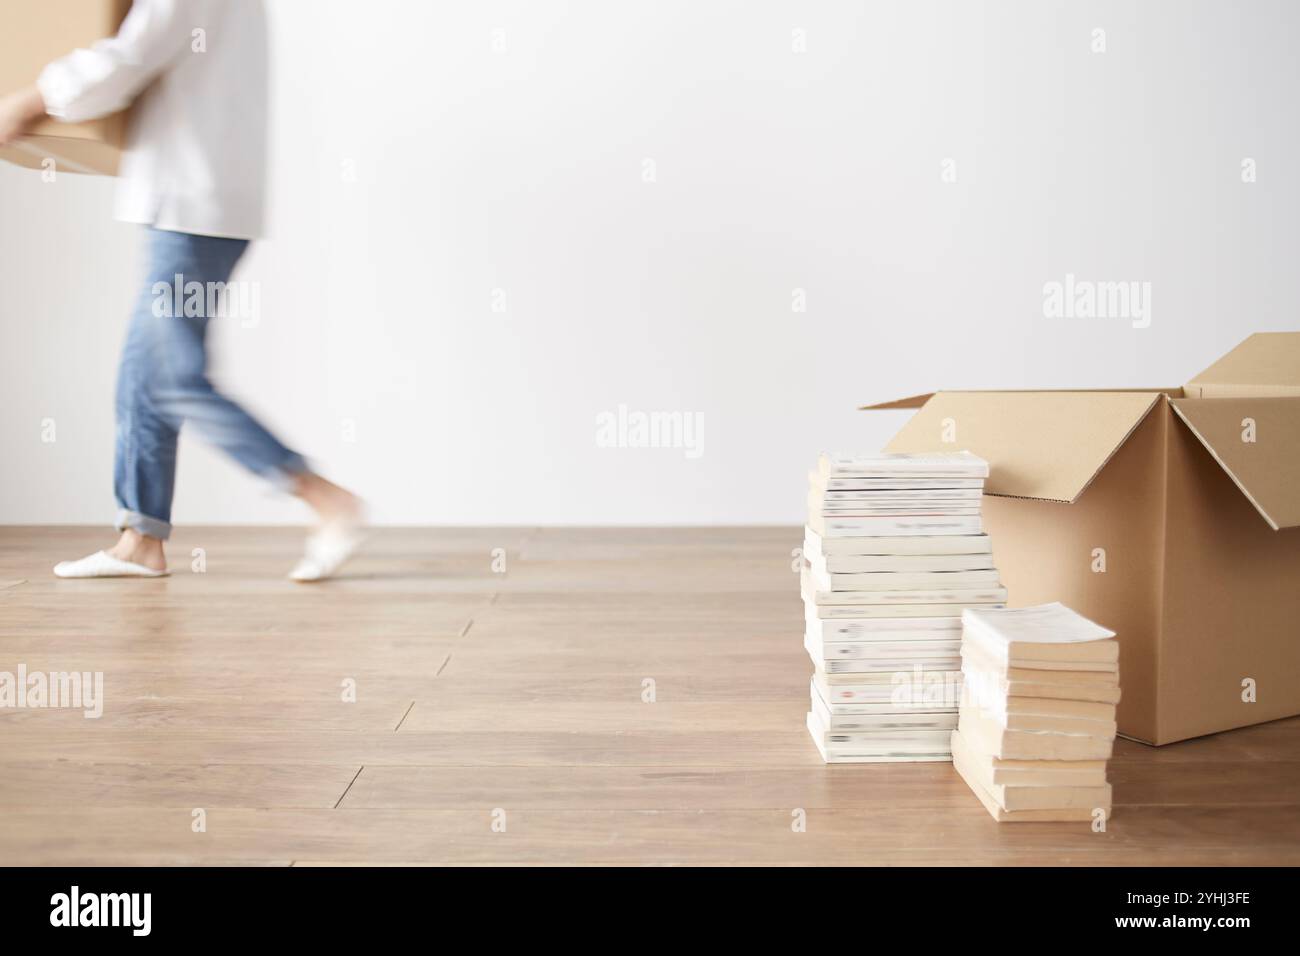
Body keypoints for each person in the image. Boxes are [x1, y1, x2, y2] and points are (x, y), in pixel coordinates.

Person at [0, 0, 363, 581]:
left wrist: (30, 100)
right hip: (198, 198)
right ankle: (140, 540)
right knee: (142, 375)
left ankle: (323, 497)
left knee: (172, 376)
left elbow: (131, 55)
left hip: (193, 203)